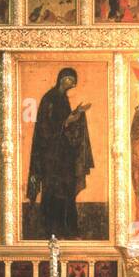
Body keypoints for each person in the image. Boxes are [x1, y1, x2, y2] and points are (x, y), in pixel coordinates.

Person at [27, 67, 94, 238]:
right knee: (53, 192)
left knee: (67, 191)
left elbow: (65, 125)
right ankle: (52, 231)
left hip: (64, 155)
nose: (72, 83)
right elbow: (45, 127)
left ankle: (68, 230)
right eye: (69, 79)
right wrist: (67, 121)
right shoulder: (50, 98)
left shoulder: (62, 98)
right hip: (51, 156)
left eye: (73, 81)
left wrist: (77, 115)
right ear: (62, 79)